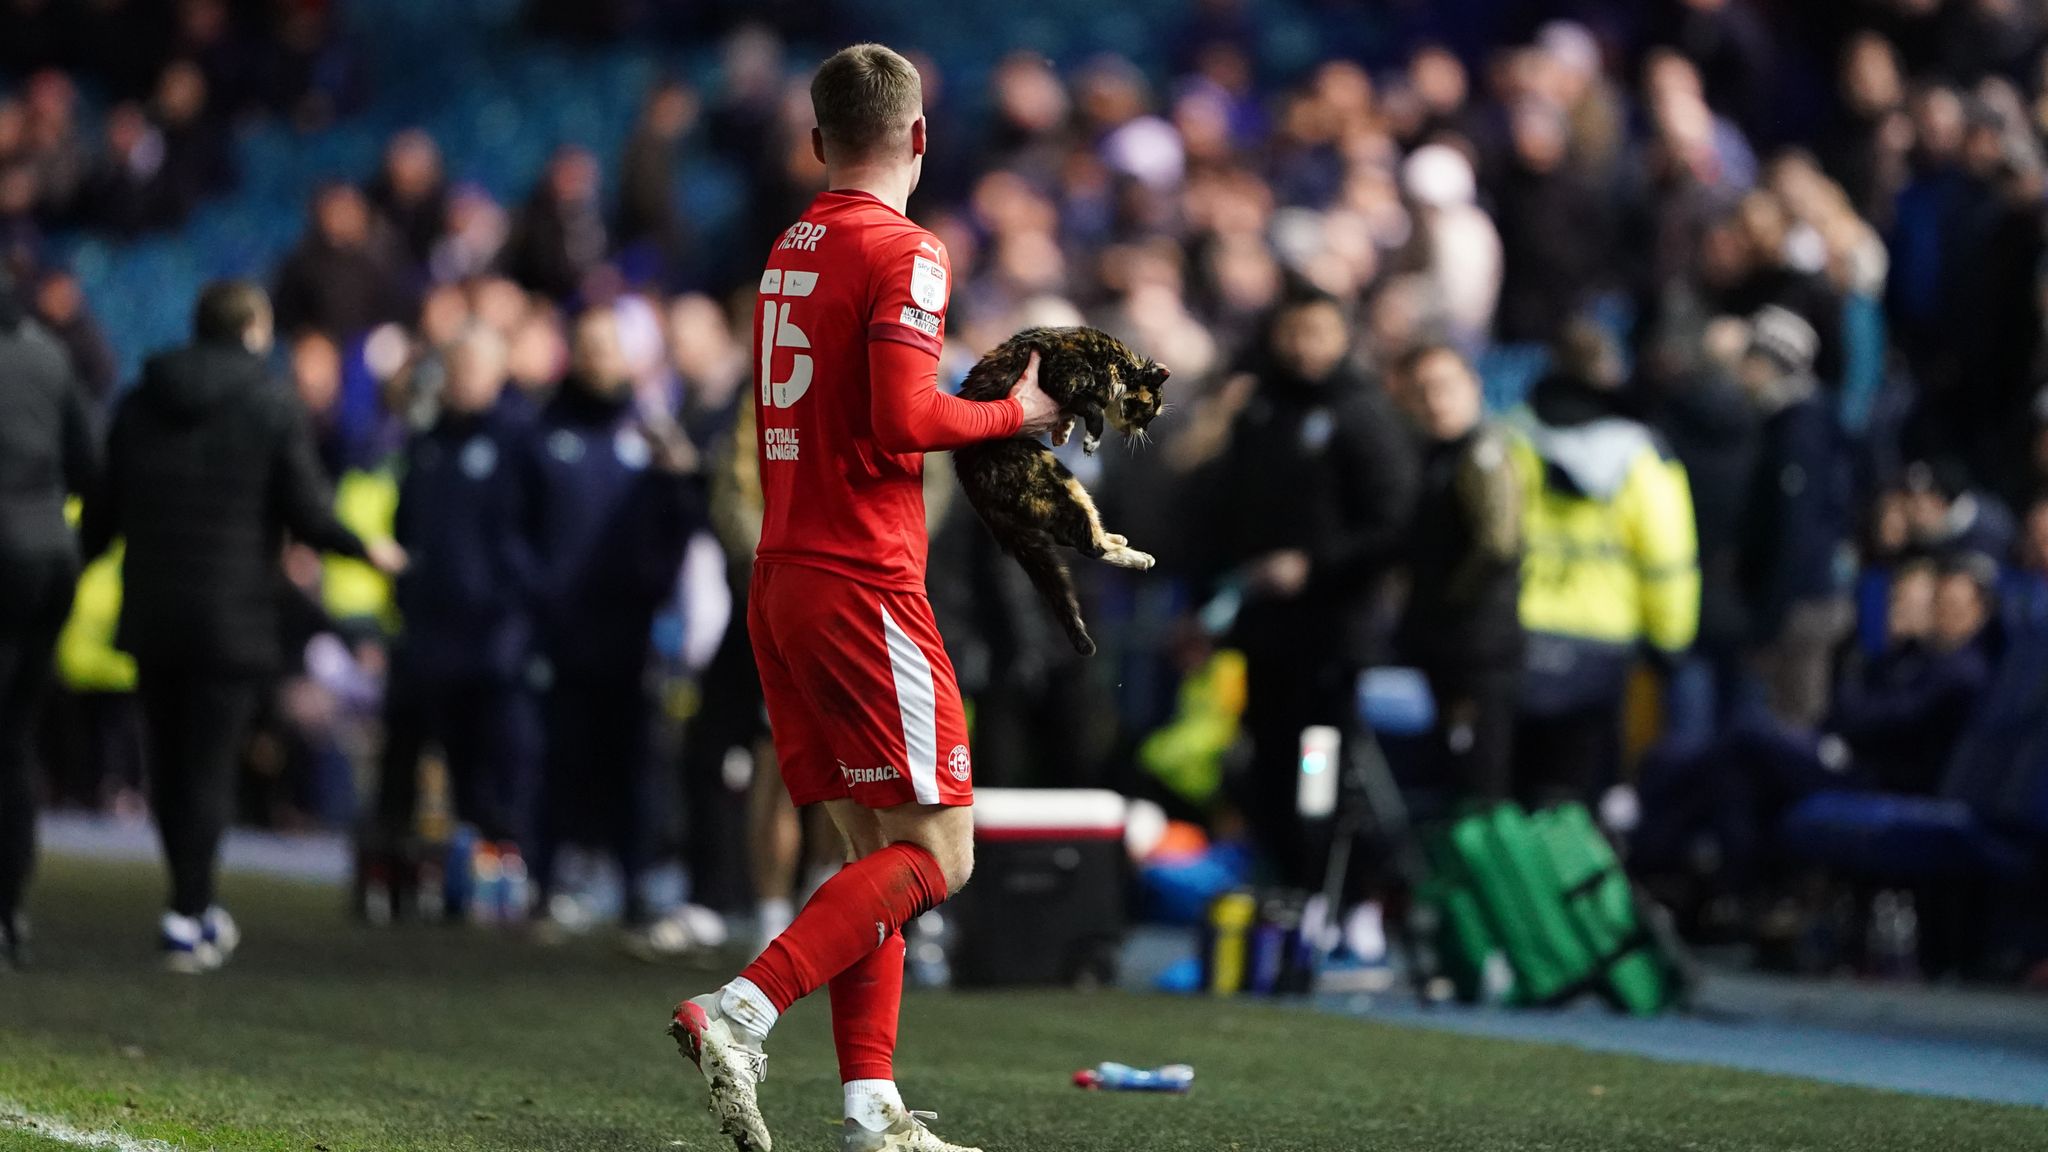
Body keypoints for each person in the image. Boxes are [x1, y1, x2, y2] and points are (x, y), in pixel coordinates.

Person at [667, 43, 1060, 1152]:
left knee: (870, 857)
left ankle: (869, 1110)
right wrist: (1012, 418)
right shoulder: (909, 249)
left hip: (785, 575)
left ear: (814, 141)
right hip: (862, 585)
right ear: (921, 139)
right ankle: (739, 1012)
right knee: (939, 855)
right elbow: (904, 417)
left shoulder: (789, 245)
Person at [80, 281, 406, 972]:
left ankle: (185, 904)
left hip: (154, 610)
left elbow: (104, 512)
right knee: (208, 767)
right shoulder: (272, 404)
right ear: (254, 329)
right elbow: (310, 515)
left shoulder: (141, 403)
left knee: (169, 765)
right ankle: (189, 911)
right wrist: (367, 550)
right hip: (233, 619)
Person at [1201, 285, 1419, 887]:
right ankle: (1285, 885)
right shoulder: (1262, 407)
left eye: (1318, 333)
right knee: (1265, 763)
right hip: (1267, 636)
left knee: (1319, 765)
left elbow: (1395, 523)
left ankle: (1336, 893)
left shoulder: (1362, 412)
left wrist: (1314, 566)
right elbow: (1230, 513)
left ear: (1345, 337)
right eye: (1294, 332)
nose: (1304, 347)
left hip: (1333, 637)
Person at [520, 306, 700, 946]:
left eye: (609, 347)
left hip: (630, 631)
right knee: (557, 761)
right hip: (560, 632)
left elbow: (681, 526)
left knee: (634, 765)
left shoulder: (651, 435)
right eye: (589, 346)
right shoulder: (541, 431)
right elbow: (517, 527)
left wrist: (681, 480)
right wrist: (539, 594)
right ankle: (545, 887)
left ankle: (633, 892)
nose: (599, 358)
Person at [1506, 321, 1699, 809]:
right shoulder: (1639, 455)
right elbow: (1667, 557)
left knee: (1510, 795)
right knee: (1579, 800)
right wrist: (1669, 641)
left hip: (1516, 634)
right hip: (1603, 645)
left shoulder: (1510, 436)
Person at [373, 326, 537, 896]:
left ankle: (508, 876)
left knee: (500, 758)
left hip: (495, 634)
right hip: (429, 631)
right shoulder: (427, 442)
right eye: (455, 366)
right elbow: (407, 524)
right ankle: (437, 879)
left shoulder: (520, 441)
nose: (462, 378)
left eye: (474, 366)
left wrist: (515, 602)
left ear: (499, 373)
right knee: (433, 757)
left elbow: (535, 532)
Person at [0, 265, 97, 968]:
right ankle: (7, 911)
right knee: (14, 739)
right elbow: (88, 466)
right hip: (45, 560)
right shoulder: (48, 353)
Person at [1395, 344, 1522, 804]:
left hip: (1478, 647)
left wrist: (1450, 597)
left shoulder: (1482, 453)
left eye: (1445, 386)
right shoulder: (1432, 455)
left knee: (1478, 778)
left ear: (1474, 387)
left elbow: (1497, 543)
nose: (1435, 400)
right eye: (1423, 390)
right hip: (1445, 642)